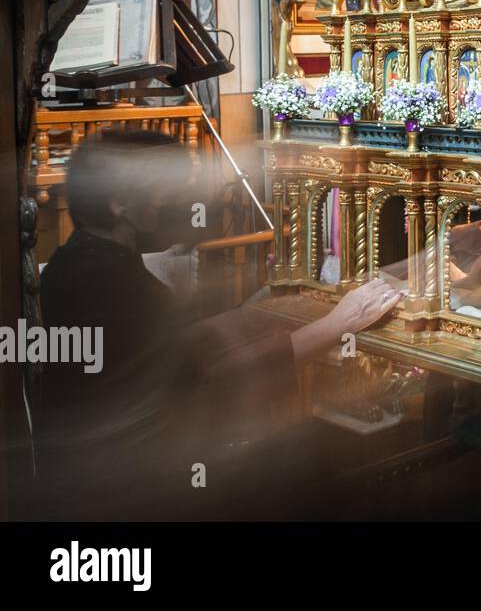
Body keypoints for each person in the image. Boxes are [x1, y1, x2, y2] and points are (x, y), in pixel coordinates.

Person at [35, 130, 404, 519]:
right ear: (121, 203)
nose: (186, 201)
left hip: (119, 471)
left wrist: (297, 310)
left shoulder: (77, 261)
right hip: (140, 487)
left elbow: (192, 342)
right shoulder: (109, 282)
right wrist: (337, 325)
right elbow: (214, 372)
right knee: (328, 460)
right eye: (172, 188)